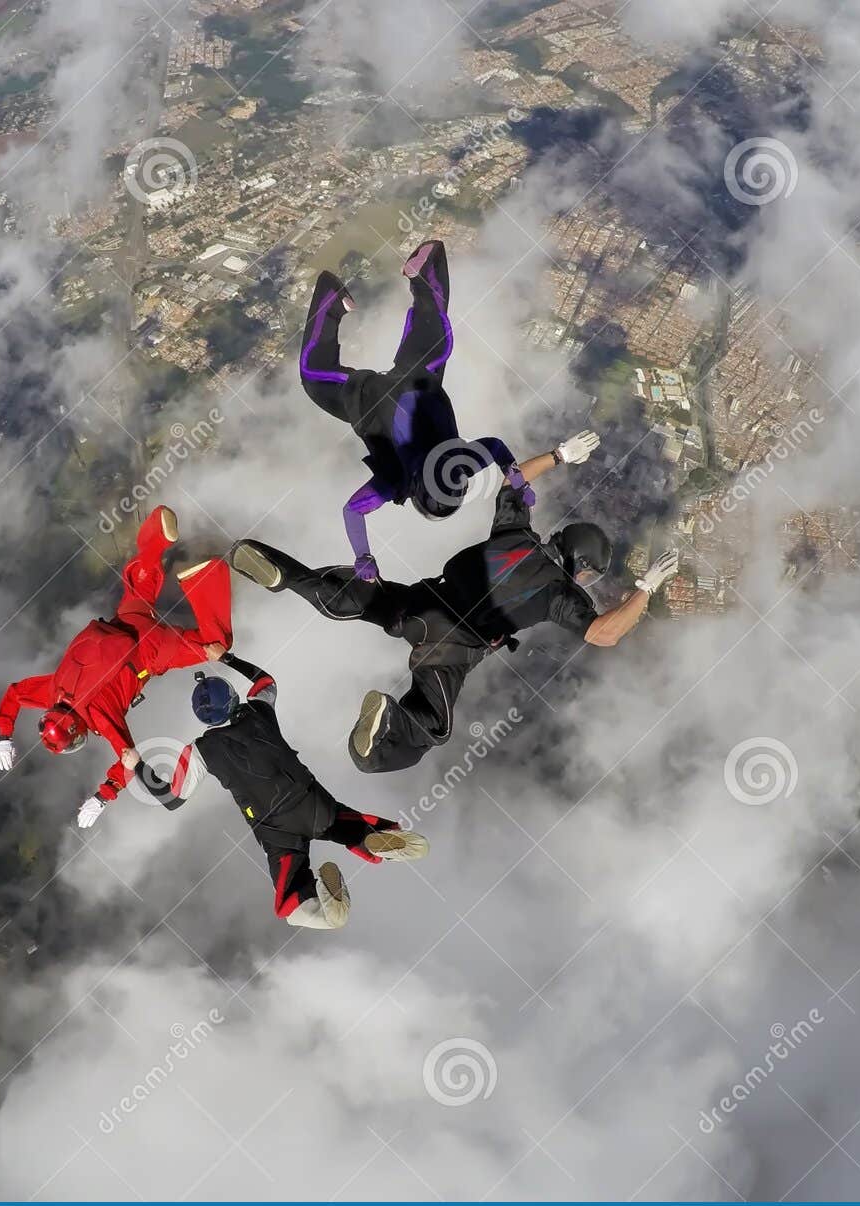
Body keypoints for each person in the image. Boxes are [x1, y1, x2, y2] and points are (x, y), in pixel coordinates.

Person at [229, 450, 679, 774]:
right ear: (580, 565)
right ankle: (381, 734)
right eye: (588, 574)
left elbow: (512, 480)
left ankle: (286, 576)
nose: (585, 581)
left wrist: (559, 455)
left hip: (423, 603)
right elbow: (604, 633)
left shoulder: (516, 534)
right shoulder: (561, 594)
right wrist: (645, 590)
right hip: (453, 643)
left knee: (357, 598)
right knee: (433, 727)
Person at [299, 239, 600, 580]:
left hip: (419, 380)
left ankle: (425, 272)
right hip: (372, 401)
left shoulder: (460, 463)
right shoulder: (395, 482)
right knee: (314, 378)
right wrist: (362, 555)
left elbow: (495, 447)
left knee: (431, 324)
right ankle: (330, 300)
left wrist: (518, 479)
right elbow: (353, 511)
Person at [125, 653, 428, 930]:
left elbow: (171, 798)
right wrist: (226, 658)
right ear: (232, 698)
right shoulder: (258, 711)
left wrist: (137, 764)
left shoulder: (201, 750)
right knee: (341, 823)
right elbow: (265, 681)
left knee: (290, 905)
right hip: (310, 800)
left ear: (202, 717)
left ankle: (329, 910)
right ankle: (371, 838)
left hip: (275, 828)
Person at [0, 506, 232, 826]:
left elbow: (128, 760)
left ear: (75, 731)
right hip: (124, 622)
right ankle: (157, 536)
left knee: (217, 644)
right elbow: (15, 694)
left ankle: (206, 577)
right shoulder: (53, 691)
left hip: (150, 651)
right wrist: (3, 736)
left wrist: (103, 797)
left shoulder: (99, 717)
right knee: (141, 583)